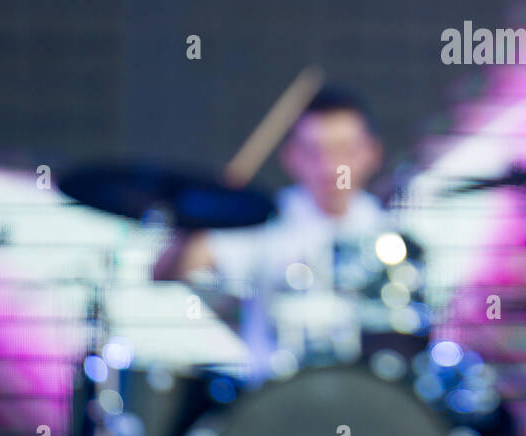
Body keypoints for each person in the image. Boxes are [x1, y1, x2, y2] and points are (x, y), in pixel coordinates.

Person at [153, 85, 388, 296]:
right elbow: (168, 275)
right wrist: (204, 212)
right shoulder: (264, 220)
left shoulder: (388, 229)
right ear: (290, 156)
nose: (328, 167)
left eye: (344, 150)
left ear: (372, 153)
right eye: (313, 151)